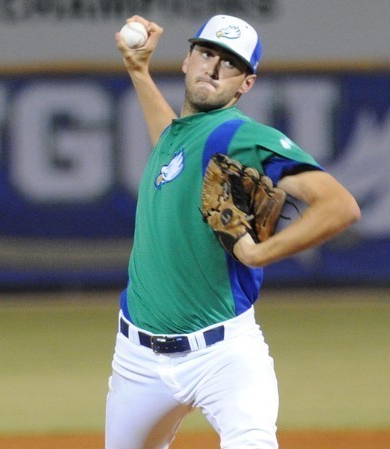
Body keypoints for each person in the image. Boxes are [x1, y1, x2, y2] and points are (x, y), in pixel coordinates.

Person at [106, 14, 361, 449]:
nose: (213, 67)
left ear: (245, 84)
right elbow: (168, 143)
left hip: (223, 355)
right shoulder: (180, 136)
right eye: (206, 53)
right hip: (137, 359)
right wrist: (137, 70)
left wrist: (262, 253)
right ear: (187, 60)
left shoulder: (241, 136)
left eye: (230, 62)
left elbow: (340, 205)